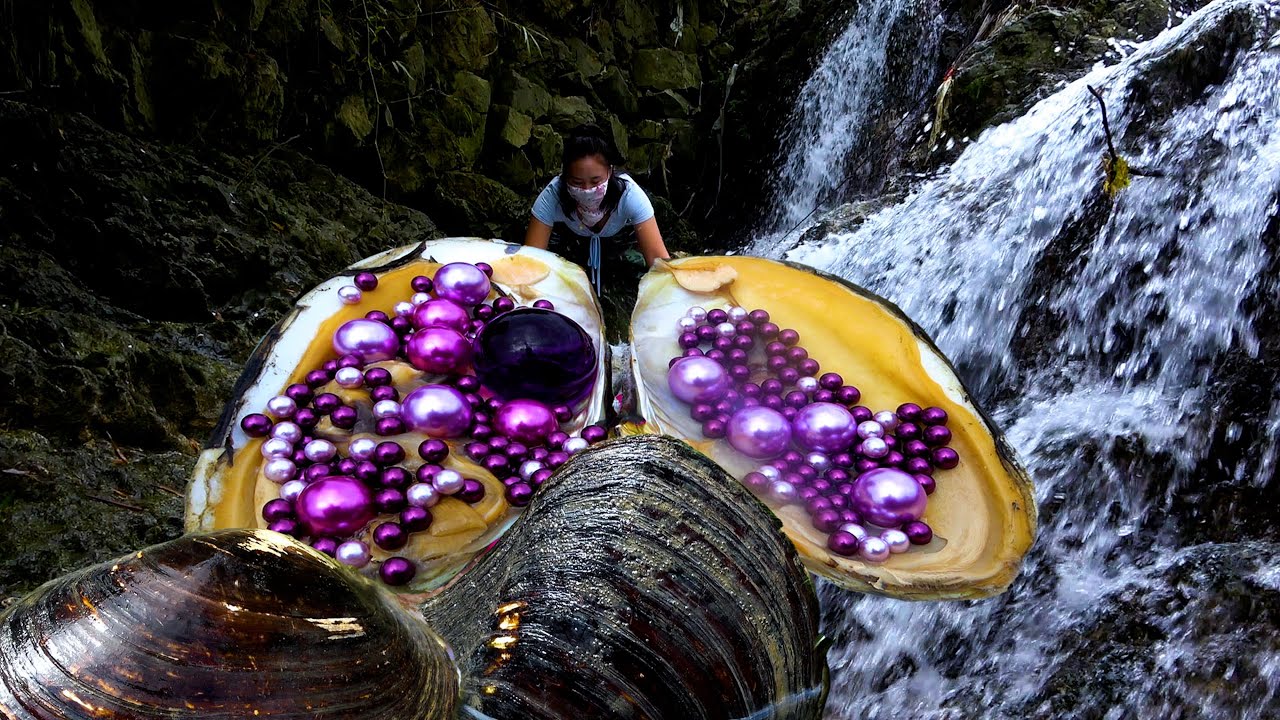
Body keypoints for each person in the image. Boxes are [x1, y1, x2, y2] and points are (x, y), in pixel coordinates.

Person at [523, 124, 670, 294]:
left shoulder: (630, 196)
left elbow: (659, 264)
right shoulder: (552, 196)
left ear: (610, 171)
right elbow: (530, 263)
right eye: (577, 183)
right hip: (570, 256)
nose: (587, 190)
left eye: (595, 182)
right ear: (564, 177)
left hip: (619, 253)